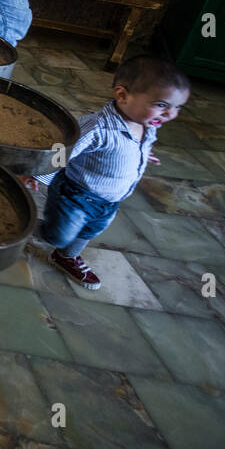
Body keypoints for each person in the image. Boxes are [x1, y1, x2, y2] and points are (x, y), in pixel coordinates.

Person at [30, 56, 190, 290]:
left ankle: (65, 257)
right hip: (75, 195)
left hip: (110, 200)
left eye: (178, 107)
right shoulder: (98, 127)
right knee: (57, 235)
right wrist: (37, 174)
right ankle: (22, 226)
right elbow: (62, 149)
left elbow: (138, 145)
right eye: (162, 105)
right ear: (122, 95)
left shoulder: (147, 124)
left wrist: (143, 154)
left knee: (89, 230)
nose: (171, 115)